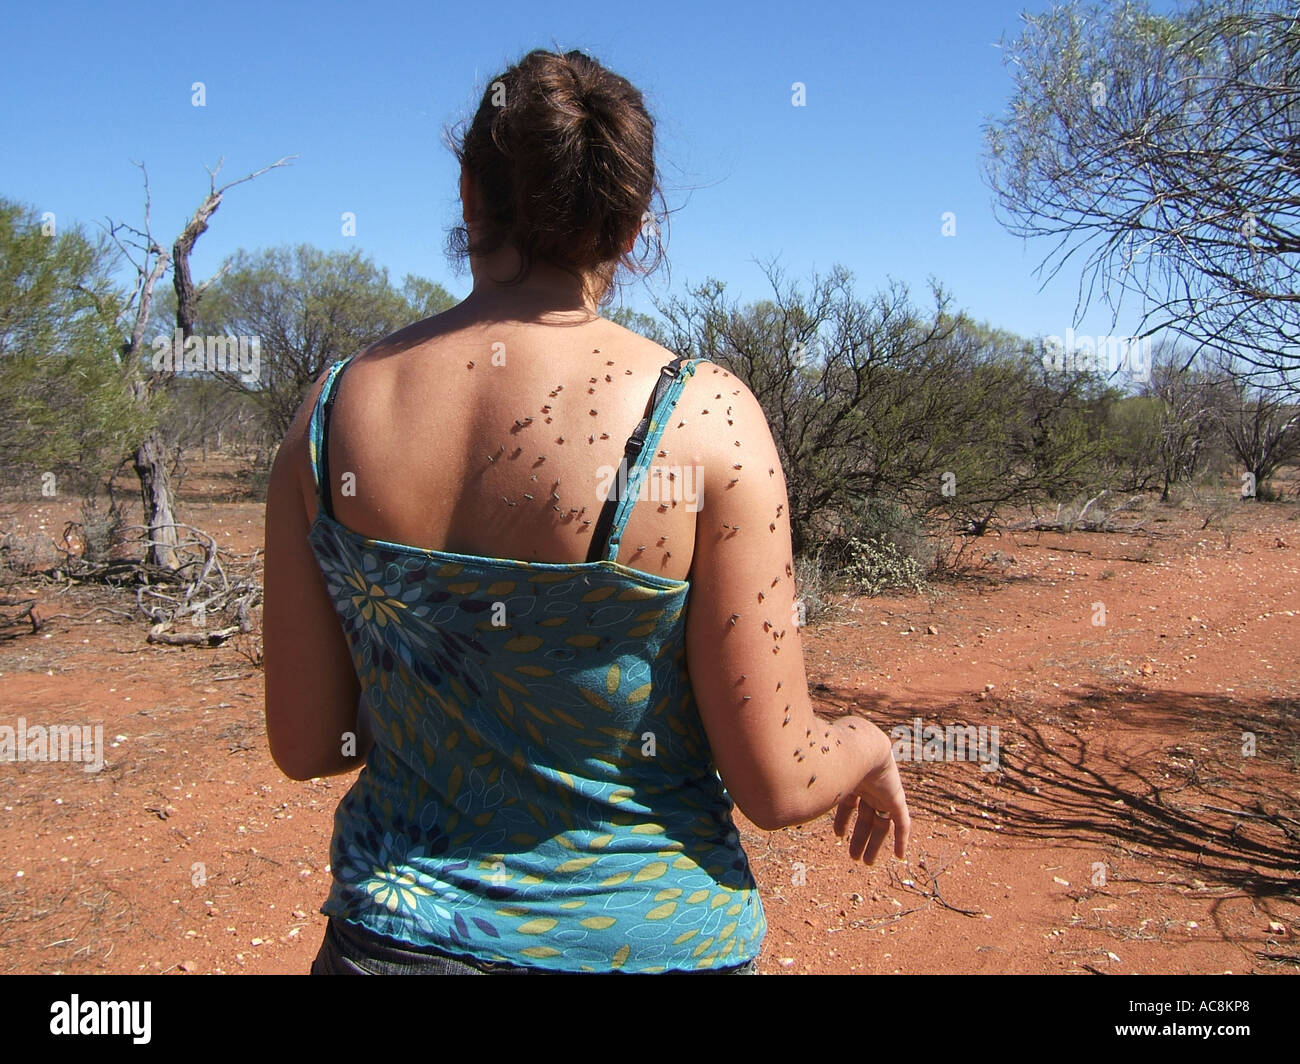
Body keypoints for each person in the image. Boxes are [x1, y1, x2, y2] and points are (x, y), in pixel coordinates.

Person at [263, 47, 910, 976]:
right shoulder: (701, 418)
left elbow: (309, 744)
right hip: (647, 944)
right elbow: (778, 779)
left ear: (468, 194)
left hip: (387, 944)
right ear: (636, 221)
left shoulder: (329, 417)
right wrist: (869, 742)